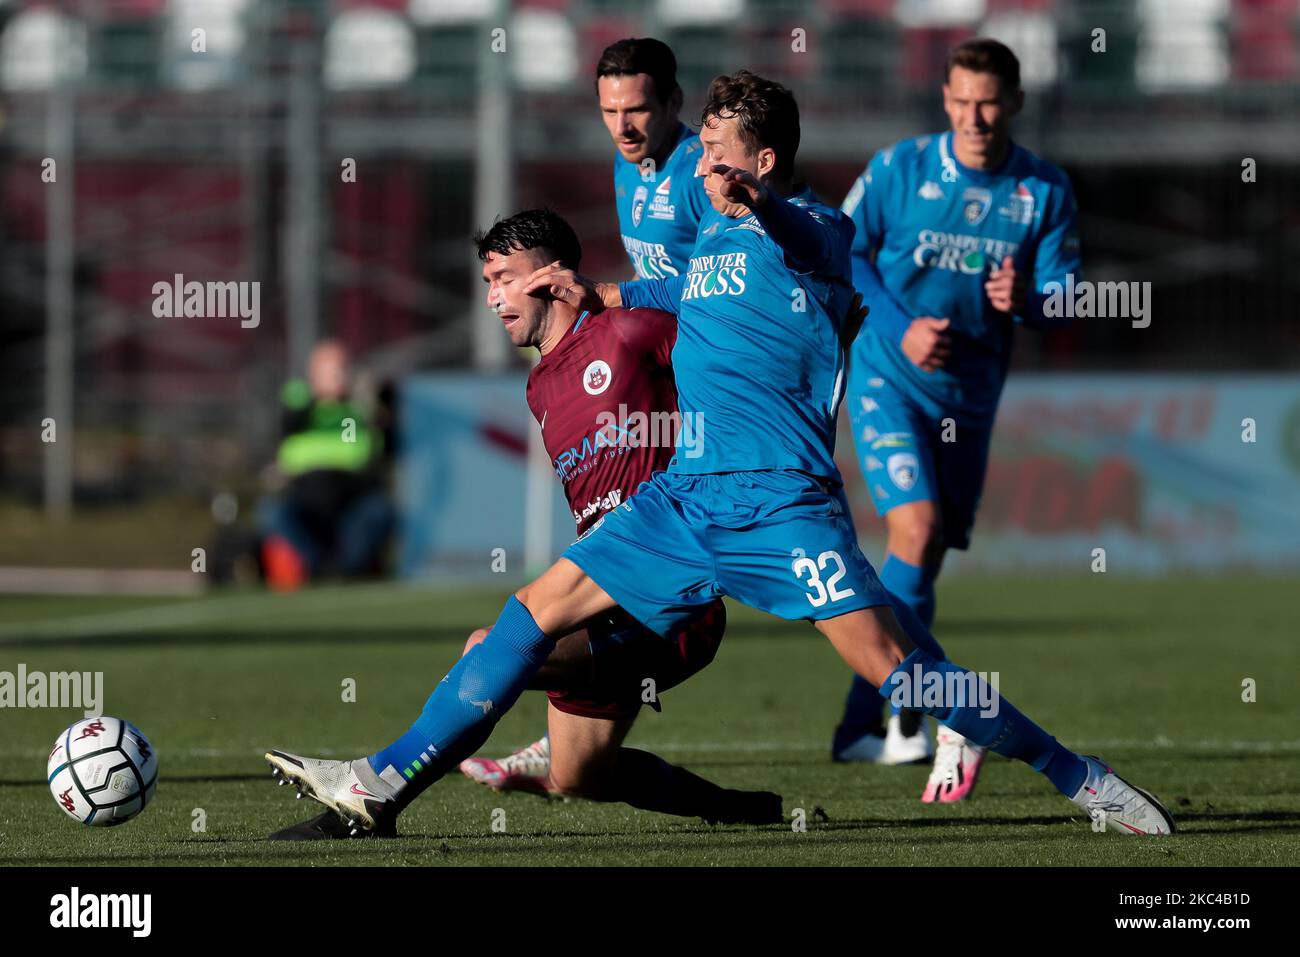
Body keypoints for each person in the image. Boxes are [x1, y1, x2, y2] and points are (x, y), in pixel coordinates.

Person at [265, 71, 1172, 840]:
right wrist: (604, 286)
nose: (702, 167)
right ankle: (382, 784)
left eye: (718, 153)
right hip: (686, 498)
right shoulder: (716, 233)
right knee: (526, 613)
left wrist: (763, 206)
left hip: (782, 506)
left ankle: (1077, 774)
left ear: (765, 161)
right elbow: (684, 288)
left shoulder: (817, 234)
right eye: (699, 151)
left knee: (903, 672)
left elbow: (810, 242)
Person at [267, 209, 780, 839]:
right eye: (487, 282)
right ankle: (750, 812)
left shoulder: (630, 331)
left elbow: (733, 331)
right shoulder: (540, 384)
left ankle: (377, 788)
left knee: (499, 642)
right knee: (580, 775)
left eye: (504, 278)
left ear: (551, 276)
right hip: (606, 600)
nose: (492, 298)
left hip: (672, 599)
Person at [833, 39, 1083, 804]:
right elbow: (843, 248)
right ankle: (934, 713)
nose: (975, 116)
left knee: (929, 548)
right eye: (962, 100)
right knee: (914, 526)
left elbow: (1066, 296)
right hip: (887, 376)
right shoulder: (902, 167)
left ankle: (859, 721)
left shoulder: (1043, 189)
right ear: (945, 99)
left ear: (1014, 104)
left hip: (970, 397)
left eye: (990, 102)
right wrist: (899, 322)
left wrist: (1029, 301)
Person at [460, 36, 711, 789]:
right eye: (609, 111)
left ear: (672, 101)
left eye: (637, 109)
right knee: (577, 778)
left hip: (706, 365)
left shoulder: (703, 173)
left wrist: (617, 303)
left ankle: (386, 776)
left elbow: (725, 290)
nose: (623, 126)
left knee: (502, 642)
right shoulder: (624, 168)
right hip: (658, 349)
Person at [257, 340, 394, 590]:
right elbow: (289, 419)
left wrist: (366, 401)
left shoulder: (357, 409)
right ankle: (314, 567)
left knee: (378, 512)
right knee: (273, 513)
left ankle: (346, 570)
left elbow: (380, 439)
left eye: (343, 369)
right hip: (305, 498)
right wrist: (319, 393)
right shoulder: (301, 403)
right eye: (332, 370)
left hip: (349, 498)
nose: (339, 376)